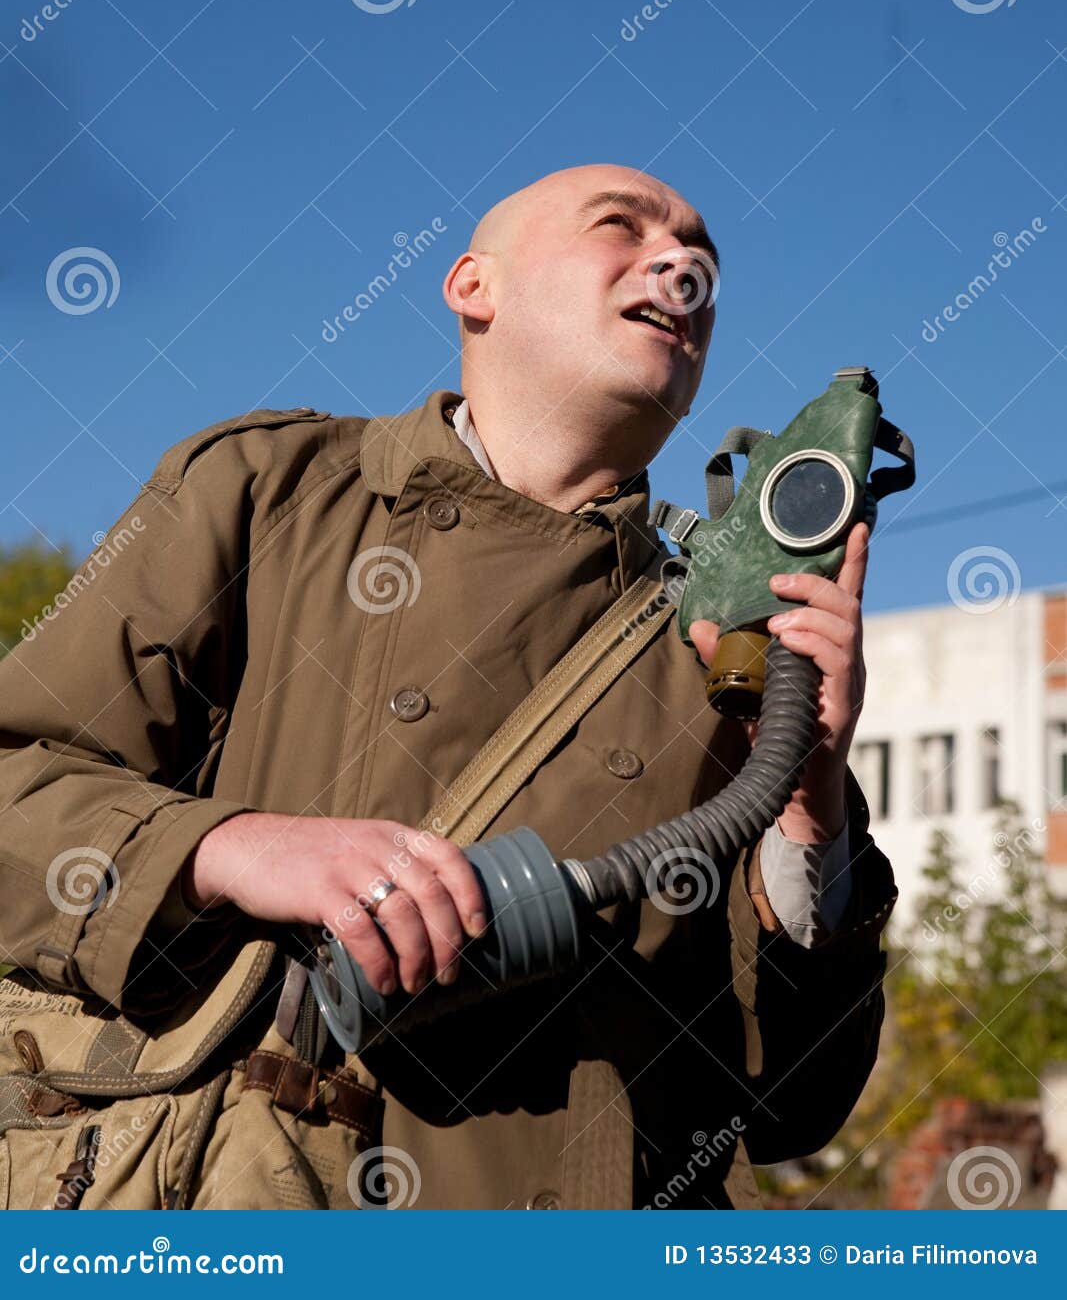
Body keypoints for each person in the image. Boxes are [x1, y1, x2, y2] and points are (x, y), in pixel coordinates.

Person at [0, 163, 895, 1209]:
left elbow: (793, 1102)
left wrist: (810, 803)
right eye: (622, 226)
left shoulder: (725, 639)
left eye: (701, 256)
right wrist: (231, 846)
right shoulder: (267, 493)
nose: (681, 264)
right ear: (475, 286)